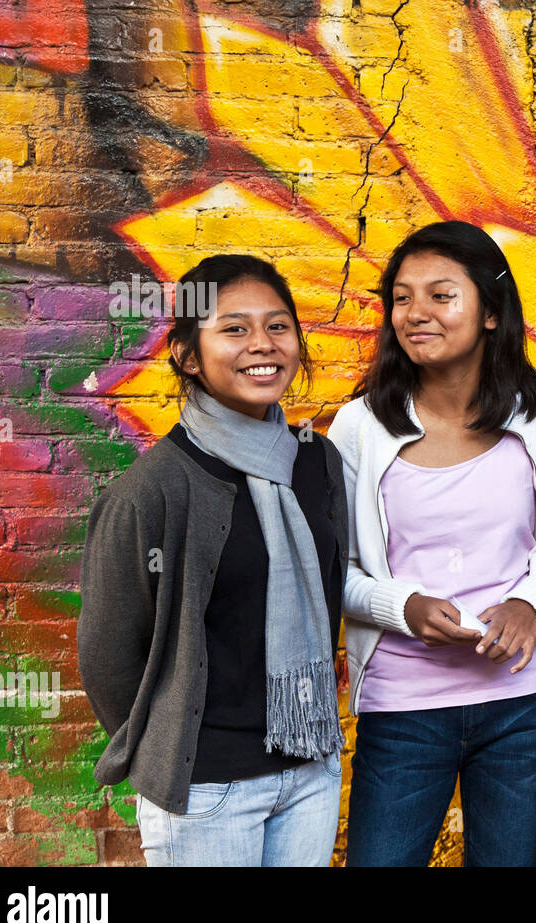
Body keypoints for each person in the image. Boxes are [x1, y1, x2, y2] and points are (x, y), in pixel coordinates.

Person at [78, 255, 347, 867]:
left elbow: (335, 587)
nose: (263, 345)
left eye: (279, 327)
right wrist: (169, 746)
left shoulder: (315, 462)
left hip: (310, 771)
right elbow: (108, 657)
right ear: (187, 354)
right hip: (207, 790)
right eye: (234, 328)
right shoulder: (152, 491)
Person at [328, 221, 536, 867]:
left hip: (520, 704)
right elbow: (335, 569)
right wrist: (401, 606)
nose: (416, 314)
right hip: (402, 706)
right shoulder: (359, 426)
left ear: (491, 311)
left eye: (441, 295)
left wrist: (530, 606)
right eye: (402, 298)